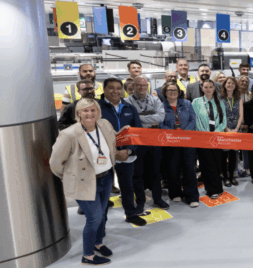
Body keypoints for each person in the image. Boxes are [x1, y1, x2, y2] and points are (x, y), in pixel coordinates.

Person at [49, 98, 117, 266]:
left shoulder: (104, 125)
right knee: (94, 218)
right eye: (85, 111)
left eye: (93, 110)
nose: (90, 114)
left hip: (106, 177)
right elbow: (55, 163)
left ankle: (98, 243)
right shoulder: (70, 134)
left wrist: (125, 131)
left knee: (103, 215)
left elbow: (113, 139)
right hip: (84, 181)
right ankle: (87, 256)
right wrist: (70, 177)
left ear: (98, 112)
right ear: (78, 113)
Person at [97, 78, 147, 226]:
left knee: (127, 186)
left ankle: (130, 214)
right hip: (104, 157)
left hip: (126, 156)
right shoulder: (97, 108)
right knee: (104, 189)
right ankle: (101, 221)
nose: (115, 91)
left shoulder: (129, 108)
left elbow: (137, 132)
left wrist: (129, 151)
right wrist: (113, 152)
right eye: (111, 88)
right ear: (104, 89)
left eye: (118, 88)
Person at [125, 76, 168, 210]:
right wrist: (148, 118)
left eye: (144, 86)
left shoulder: (155, 99)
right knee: (138, 172)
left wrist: (138, 118)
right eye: (139, 85)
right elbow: (129, 120)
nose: (141, 88)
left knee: (155, 171)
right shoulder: (127, 102)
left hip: (153, 139)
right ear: (134, 86)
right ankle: (140, 201)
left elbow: (160, 117)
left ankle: (157, 198)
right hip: (136, 140)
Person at [159, 82, 200, 208]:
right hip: (171, 142)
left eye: (175, 90)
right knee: (173, 168)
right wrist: (173, 134)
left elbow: (194, 119)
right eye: (169, 90)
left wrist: (184, 132)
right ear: (165, 92)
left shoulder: (187, 104)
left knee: (189, 168)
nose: (172, 92)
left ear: (179, 92)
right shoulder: (161, 106)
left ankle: (191, 196)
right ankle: (174, 193)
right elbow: (160, 123)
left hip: (187, 140)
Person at [192, 79, 227, 199]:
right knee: (207, 164)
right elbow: (195, 120)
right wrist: (204, 134)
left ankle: (218, 188)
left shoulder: (220, 103)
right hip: (202, 138)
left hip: (217, 138)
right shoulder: (196, 102)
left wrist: (216, 132)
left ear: (214, 88)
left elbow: (223, 121)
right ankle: (211, 189)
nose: (208, 89)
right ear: (202, 88)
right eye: (206, 87)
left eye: (210, 87)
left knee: (217, 164)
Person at [220, 77, 244, 187]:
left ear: (235, 86)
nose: (230, 85)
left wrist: (236, 129)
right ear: (224, 85)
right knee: (224, 156)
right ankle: (225, 177)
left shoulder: (238, 98)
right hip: (224, 130)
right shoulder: (220, 99)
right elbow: (220, 116)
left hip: (235, 130)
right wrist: (227, 129)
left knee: (234, 155)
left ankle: (232, 177)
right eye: (228, 83)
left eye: (232, 83)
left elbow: (241, 115)